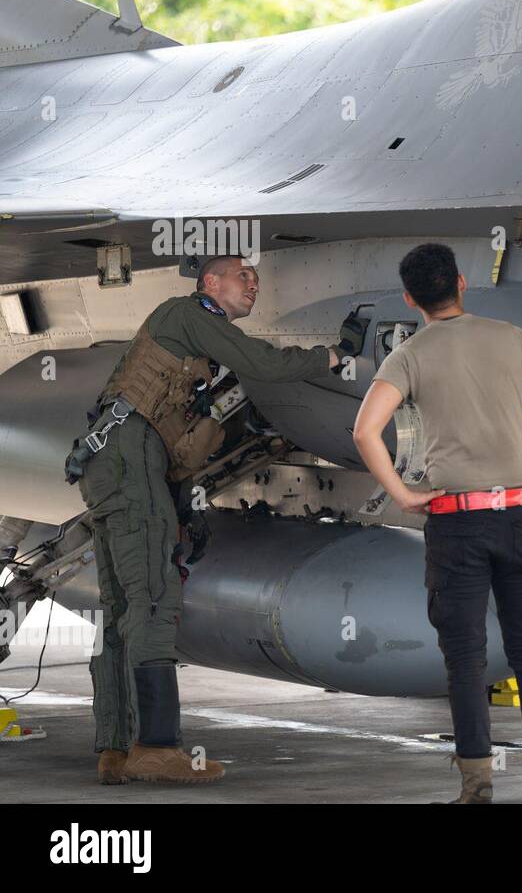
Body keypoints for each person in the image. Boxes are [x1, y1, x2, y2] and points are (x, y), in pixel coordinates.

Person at [73, 256, 346, 785]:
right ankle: (156, 748)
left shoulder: (187, 343)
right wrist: (332, 356)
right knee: (154, 598)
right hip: (128, 458)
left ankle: (115, 748)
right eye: (240, 276)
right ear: (209, 284)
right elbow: (262, 362)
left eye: (255, 277)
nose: (253, 283)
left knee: (122, 606)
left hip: (111, 461)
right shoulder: (189, 313)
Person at [353, 243, 522, 804]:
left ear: (411, 298)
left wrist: (403, 494)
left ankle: (477, 785)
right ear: (462, 283)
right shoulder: (509, 338)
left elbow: (366, 432)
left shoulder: (408, 356)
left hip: (455, 522)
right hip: (519, 515)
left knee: (464, 659)